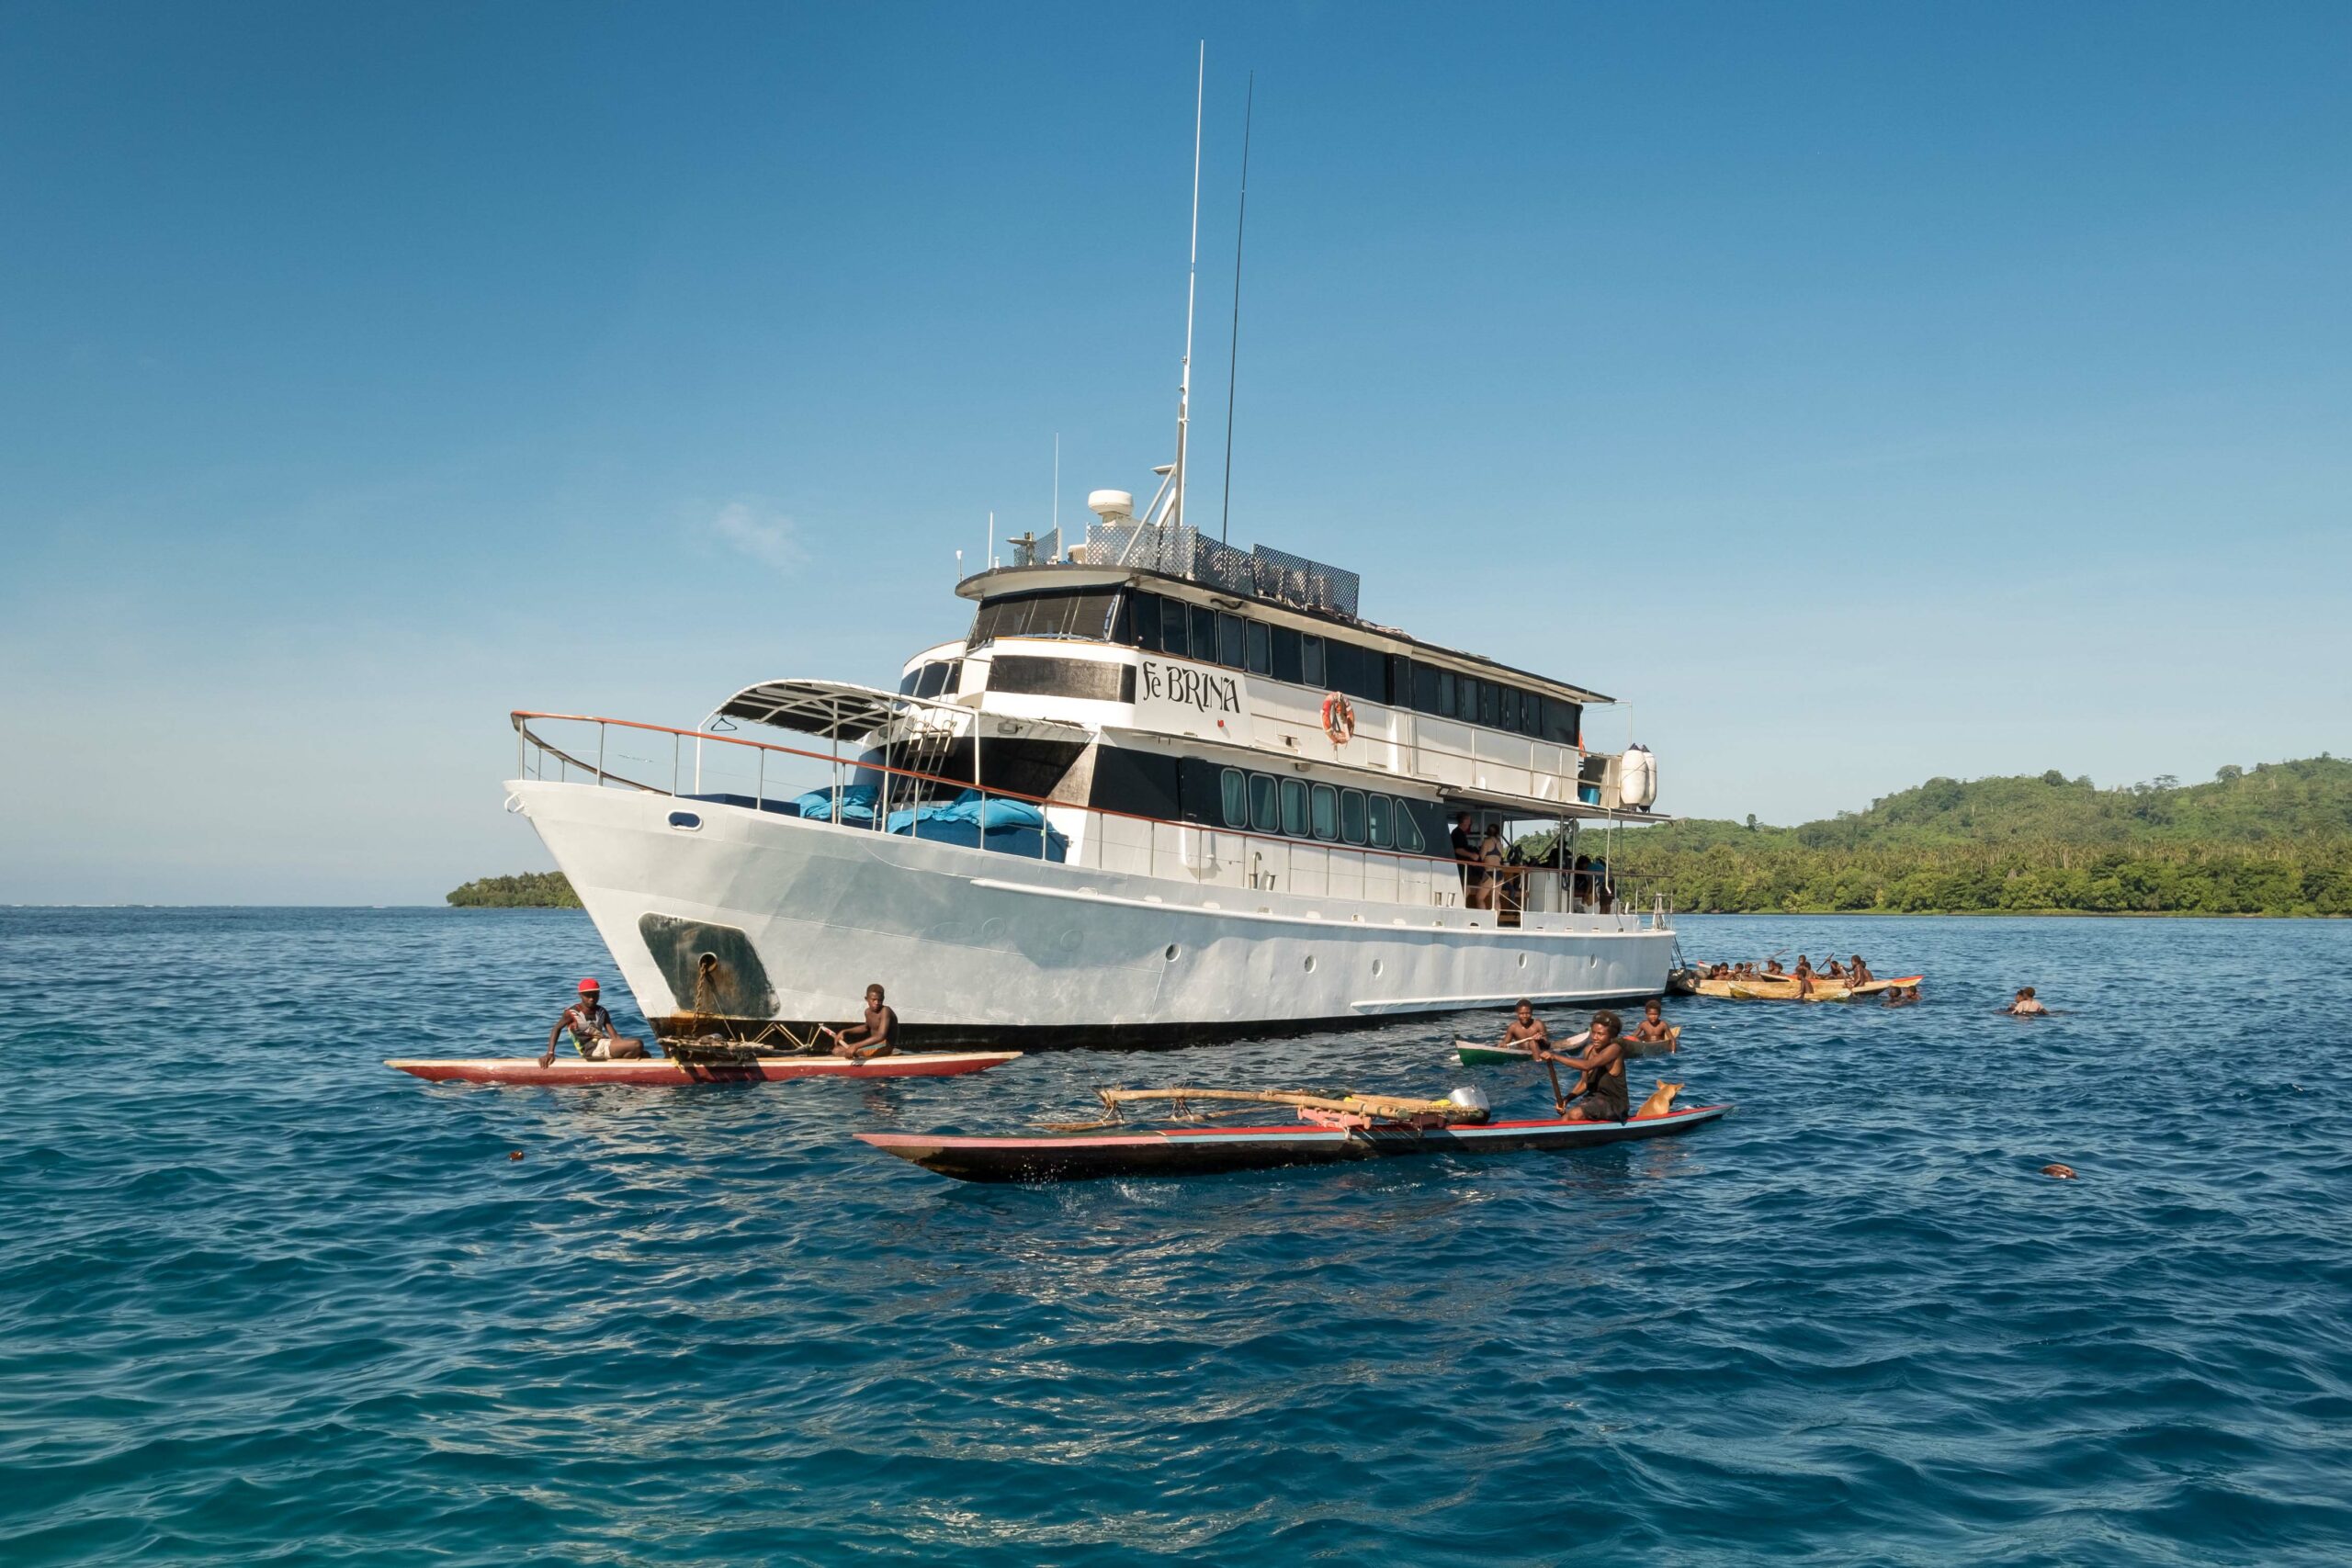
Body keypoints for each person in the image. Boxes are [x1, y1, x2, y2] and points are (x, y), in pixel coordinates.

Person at [1537, 1009, 1629, 1122]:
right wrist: (1566, 1100)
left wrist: (1555, 1056)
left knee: (1575, 1115)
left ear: (1611, 1036)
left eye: (1600, 1034)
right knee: (1565, 1119)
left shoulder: (1615, 1049)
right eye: (1593, 1032)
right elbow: (1584, 1083)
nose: (1595, 1037)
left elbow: (1588, 1065)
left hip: (1614, 1104)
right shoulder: (1588, 1050)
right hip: (1595, 1099)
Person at [541, 978, 648, 1067]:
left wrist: (623, 1046)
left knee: (644, 1053)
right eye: (587, 995)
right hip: (590, 1049)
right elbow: (556, 1028)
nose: (592, 999)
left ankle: (620, 1066)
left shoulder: (602, 1011)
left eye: (595, 995)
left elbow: (614, 1035)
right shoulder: (572, 1012)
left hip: (603, 1043)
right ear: (580, 995)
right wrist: (550, 1053)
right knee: (637, 1044)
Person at [823, 983, 899, 1058]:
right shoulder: (867, 1012)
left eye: (879, 1000)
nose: (876, 1003)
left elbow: (880, 1036)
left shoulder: (885, 1011)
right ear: (866, 999)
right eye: (873, 1000)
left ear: (883, 999)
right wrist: (844, 1031)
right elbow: (866, 1027)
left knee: (838, 1051)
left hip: (885, 1047)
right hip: (875, 1045)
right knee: (836, 1049)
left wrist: (856, 1046)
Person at [1450, 813, 1478, 902]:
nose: (1470, 822)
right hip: (1460, 865)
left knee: (1466, 888)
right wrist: (1471, 855)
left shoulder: (1461, 833)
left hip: (1463, 866)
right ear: (1465, 821)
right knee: (1464, 889)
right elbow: (1457, 850)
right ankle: (1460, 905)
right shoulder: (1457, 833)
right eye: (1469, 820)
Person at [1477, 827, 1506, 912]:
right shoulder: (1500, 844)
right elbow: (1501, 858)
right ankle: (1495, 921)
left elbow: (1481, 857)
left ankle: (1483, 920)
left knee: (1480, 898)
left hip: (1489, 873)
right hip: (1499, 873)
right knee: (1496, 899)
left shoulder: (1486, 842)